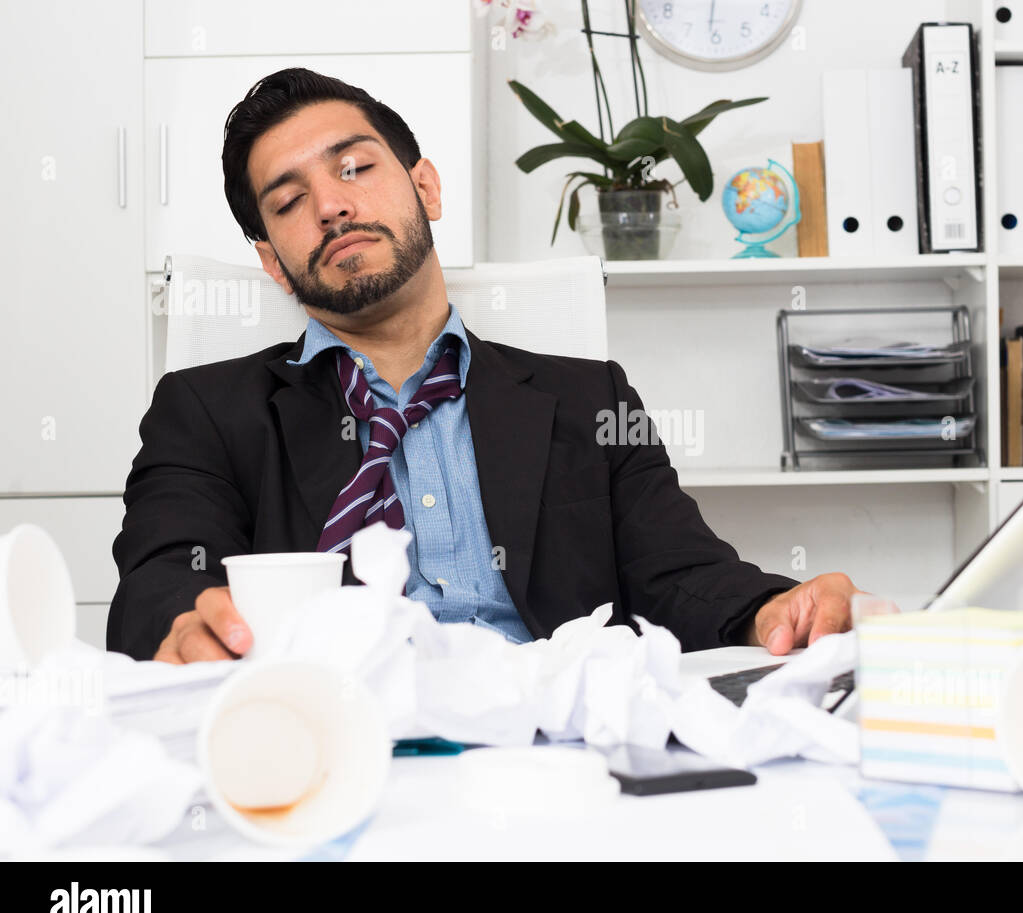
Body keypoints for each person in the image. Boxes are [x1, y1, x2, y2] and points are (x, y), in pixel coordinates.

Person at [107, 68, 881, 663]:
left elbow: (679, 571)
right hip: (339, 738)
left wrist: (772, 609)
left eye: (353, 168)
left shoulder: (587, 398)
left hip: (555, 748)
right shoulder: (206, 408)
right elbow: (162, 575)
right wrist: (183, 624)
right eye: (288, 200)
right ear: (273, 262)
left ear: (425, 186)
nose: (332, 206)